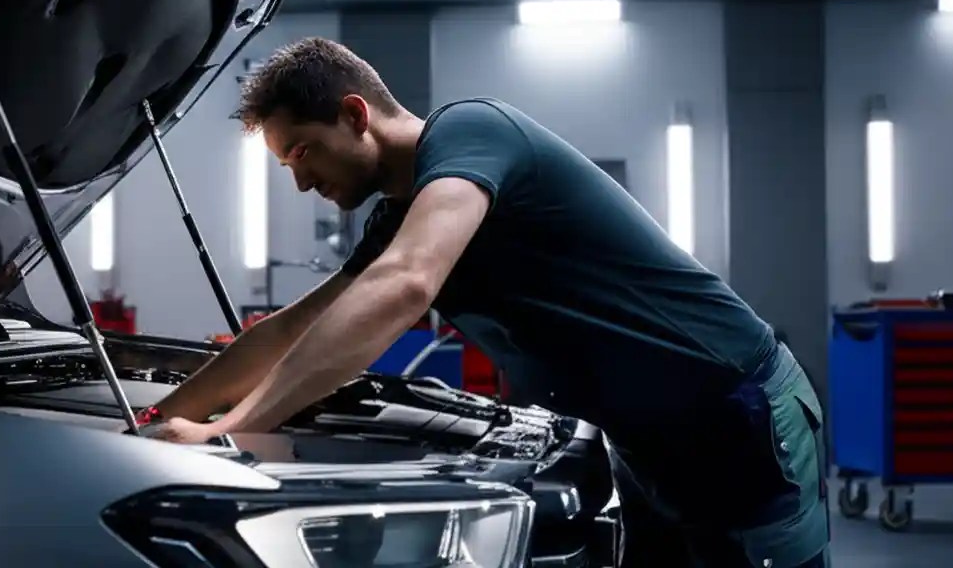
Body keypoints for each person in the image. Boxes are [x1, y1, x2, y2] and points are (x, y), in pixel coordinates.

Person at [146, 37, 830, 568]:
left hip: (735, 418)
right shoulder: (397, 218)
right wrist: (164, 420)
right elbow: (295, 328)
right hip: (647, 440)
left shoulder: (474, 133)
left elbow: (408, 283)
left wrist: (227, 432)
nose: (299, 184)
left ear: (354, 114)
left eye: (302, 153)